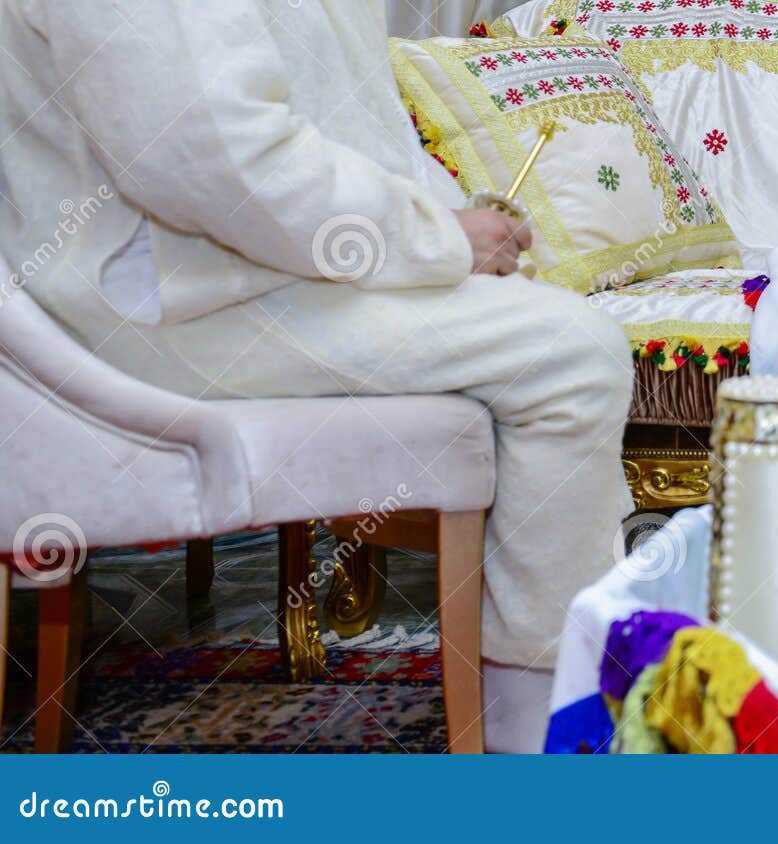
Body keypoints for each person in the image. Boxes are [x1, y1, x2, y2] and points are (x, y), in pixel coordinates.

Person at [0, 0, 632, 751]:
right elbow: (216, 156)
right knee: (567, 351)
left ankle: (543, 693)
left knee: (540, 324)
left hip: (228, 276)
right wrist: (437, 238)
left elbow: (338, 130)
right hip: (165, 307)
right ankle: (547, 732)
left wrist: (446, 225)